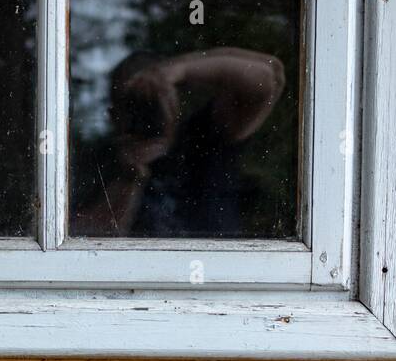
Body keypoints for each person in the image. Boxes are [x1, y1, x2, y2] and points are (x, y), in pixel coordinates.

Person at [75, 46, 287, 238]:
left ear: (175, 97)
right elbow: (84, 245)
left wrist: (178, 71)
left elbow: (267, 78)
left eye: (154, 99)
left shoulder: (205, 137)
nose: (143, 112)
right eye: (131, 102)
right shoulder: (100, 166)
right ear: (114, 115)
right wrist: (130, 177)